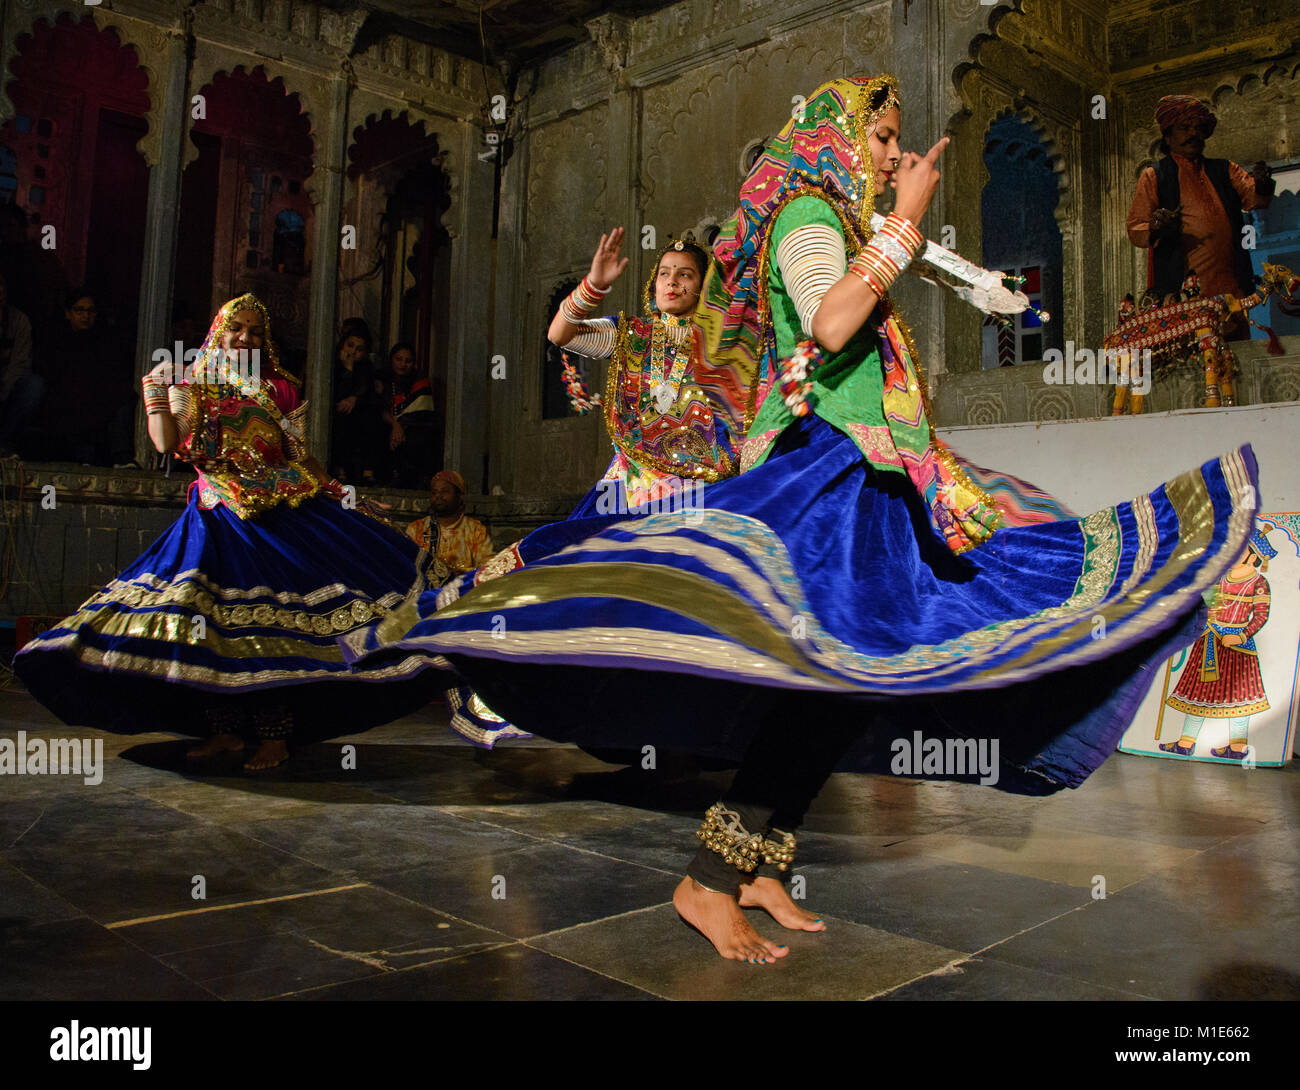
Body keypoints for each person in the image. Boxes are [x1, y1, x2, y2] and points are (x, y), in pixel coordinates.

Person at [351, 76, 1258, 963]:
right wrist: (906, 224)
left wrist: (936, 254)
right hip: (832, 477)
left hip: (869, 469)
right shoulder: (807, 217)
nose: (893, 150)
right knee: (838, 671)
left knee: (840, 678)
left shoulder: (833, 218)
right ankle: (708, 879)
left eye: (897, 138)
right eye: (880, 136)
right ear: (830, 137)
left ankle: (754, 865)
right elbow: (829, 325)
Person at [15, 294, 444, 770]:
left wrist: (346, 494)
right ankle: (223, 731)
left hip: (281, 518)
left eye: (256, 331)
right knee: (210, 629)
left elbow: (300, 457)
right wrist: (156, 392)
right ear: (219, 331)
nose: (247, 337)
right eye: (237, 327)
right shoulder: (195, 381)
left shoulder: (280, 389)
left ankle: (275, 738)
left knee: (275, 628)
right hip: (218, 514)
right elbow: (166, 442)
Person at [1126, 94, 1274, 337]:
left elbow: (1257, 200)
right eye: (1185, 128)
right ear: (1168, 135)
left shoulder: (1225, 169)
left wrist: (1264, 183)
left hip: (1231, 294)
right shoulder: (1155, 175)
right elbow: (1135, 230)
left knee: (1234, 362)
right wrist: (1157, 227)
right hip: (1181, 298)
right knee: (1192, 367)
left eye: (1198, 128)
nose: (1193, 134)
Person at [36, 289, 136, 466]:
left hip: (98, 401)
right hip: (65, 403)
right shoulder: (56, 341)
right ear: (68, 313)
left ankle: (120, 456)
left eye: (90, 311)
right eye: (79, 310)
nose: (85, 316)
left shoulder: (104, 341)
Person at [404, 470, 493, 579]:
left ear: (460, 496)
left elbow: (488, 569)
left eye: (444, 491)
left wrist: (458, 572)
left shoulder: (475, 530)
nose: (438, 496)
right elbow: (405, 566)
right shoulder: (416, 529)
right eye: (434, 492)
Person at [329, 320, 386, 484]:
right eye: (350, 345)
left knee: (370, 417)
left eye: (359, 349)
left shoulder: (366, 368)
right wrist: (347, 369)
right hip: (336, 411)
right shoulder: (332, 363)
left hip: (358, 414)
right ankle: (339, 469)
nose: (352, 352)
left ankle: (368, 470)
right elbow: (336, 393)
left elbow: (366, 393)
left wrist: (355, 399)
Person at [384, 341, 437, 488]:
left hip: (413, 428)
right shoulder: (383, 380)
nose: (402, 365)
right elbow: (380, 409)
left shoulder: (419, 381)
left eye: (408, 361)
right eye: (398, 359)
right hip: (389, 426)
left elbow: (422, 412)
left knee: (418, 437)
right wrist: (395, 425)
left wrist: (401, 426)